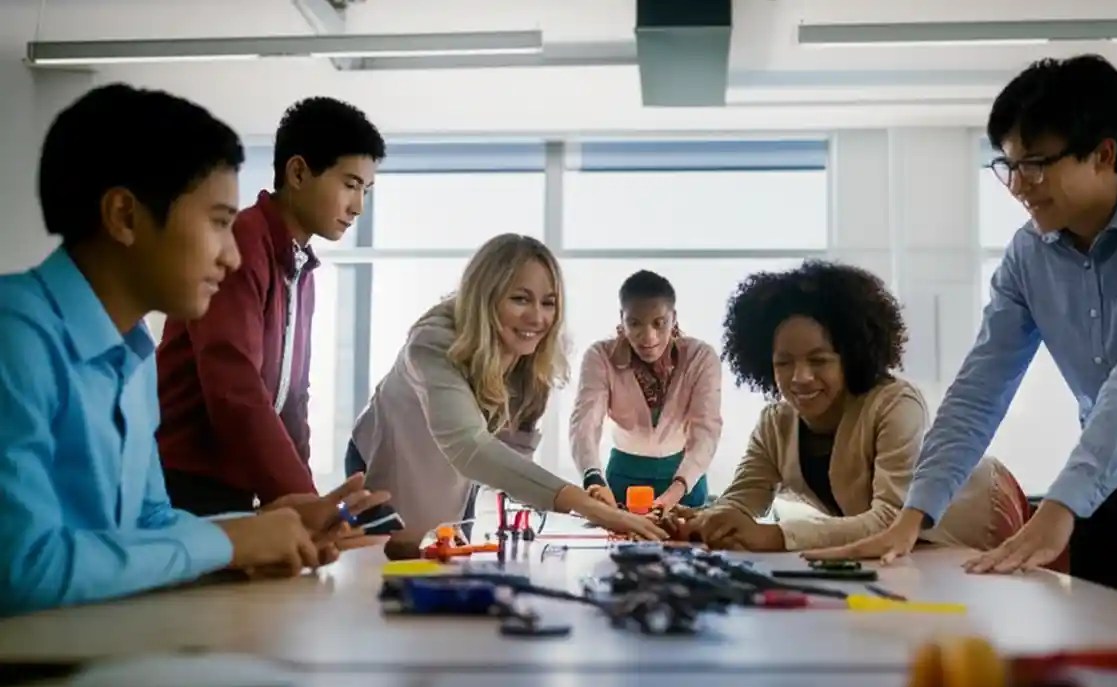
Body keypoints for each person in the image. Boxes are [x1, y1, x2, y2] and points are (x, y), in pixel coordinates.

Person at [812, 54, 1117, 630]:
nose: (1017, 187)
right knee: (1104, 667)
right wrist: (915, 514)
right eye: (1007, 166)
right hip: (1111, 491)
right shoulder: (1028, 255)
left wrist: (1061, 503)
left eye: (1034, 165)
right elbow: (980, 389)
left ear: (1103, 154)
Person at [0, 84, 372, 616]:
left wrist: (265, 530)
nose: (233, 257)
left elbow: (151, 522)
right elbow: (23, 568)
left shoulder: (133, 355)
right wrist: (233, 543)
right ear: (125, 216)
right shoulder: (14, 337)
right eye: (220, 223)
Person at [677, 261, 1026, 552]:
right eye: (783, 363)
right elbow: (742, 499)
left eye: (819, 360)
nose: (800, 377)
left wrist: (774, 537)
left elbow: (892, 517)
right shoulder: (776, 423)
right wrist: (702, 522)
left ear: (852, 357)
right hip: (911, 550)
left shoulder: (894, 404)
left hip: (983, 512)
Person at [348, 234, 666, 545]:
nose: (537, 317)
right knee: (389, 567)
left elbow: (510, 458)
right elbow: (469, 447)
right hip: (388, 460)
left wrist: (587, 503)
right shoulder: (432, 343)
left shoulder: (530, 356)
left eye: (548, 303)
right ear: (485, 296)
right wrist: (587, 506)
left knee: (444, 567)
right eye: (520, 299)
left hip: (457, 479)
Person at [156, 97, 386, 516]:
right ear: (298, 172)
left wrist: (309, 502)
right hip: (184, 486)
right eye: (350, 185)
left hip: (232, 484)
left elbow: (292, 399)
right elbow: (234, 385)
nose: (358, 207)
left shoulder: (299, 266)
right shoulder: (243, 240)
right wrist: (299, 501)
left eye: (366, 191)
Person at [569, 270, 723, 511]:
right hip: (622, 480)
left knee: (688, 547)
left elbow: (706, 429)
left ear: (673, 319)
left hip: (685, 481)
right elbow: (585, 424)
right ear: (622, 319)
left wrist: (676, 491)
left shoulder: (700, 357)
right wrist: (593, 479)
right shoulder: (600, 357)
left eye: (659, 323)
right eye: (635, 323)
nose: (648, 337)